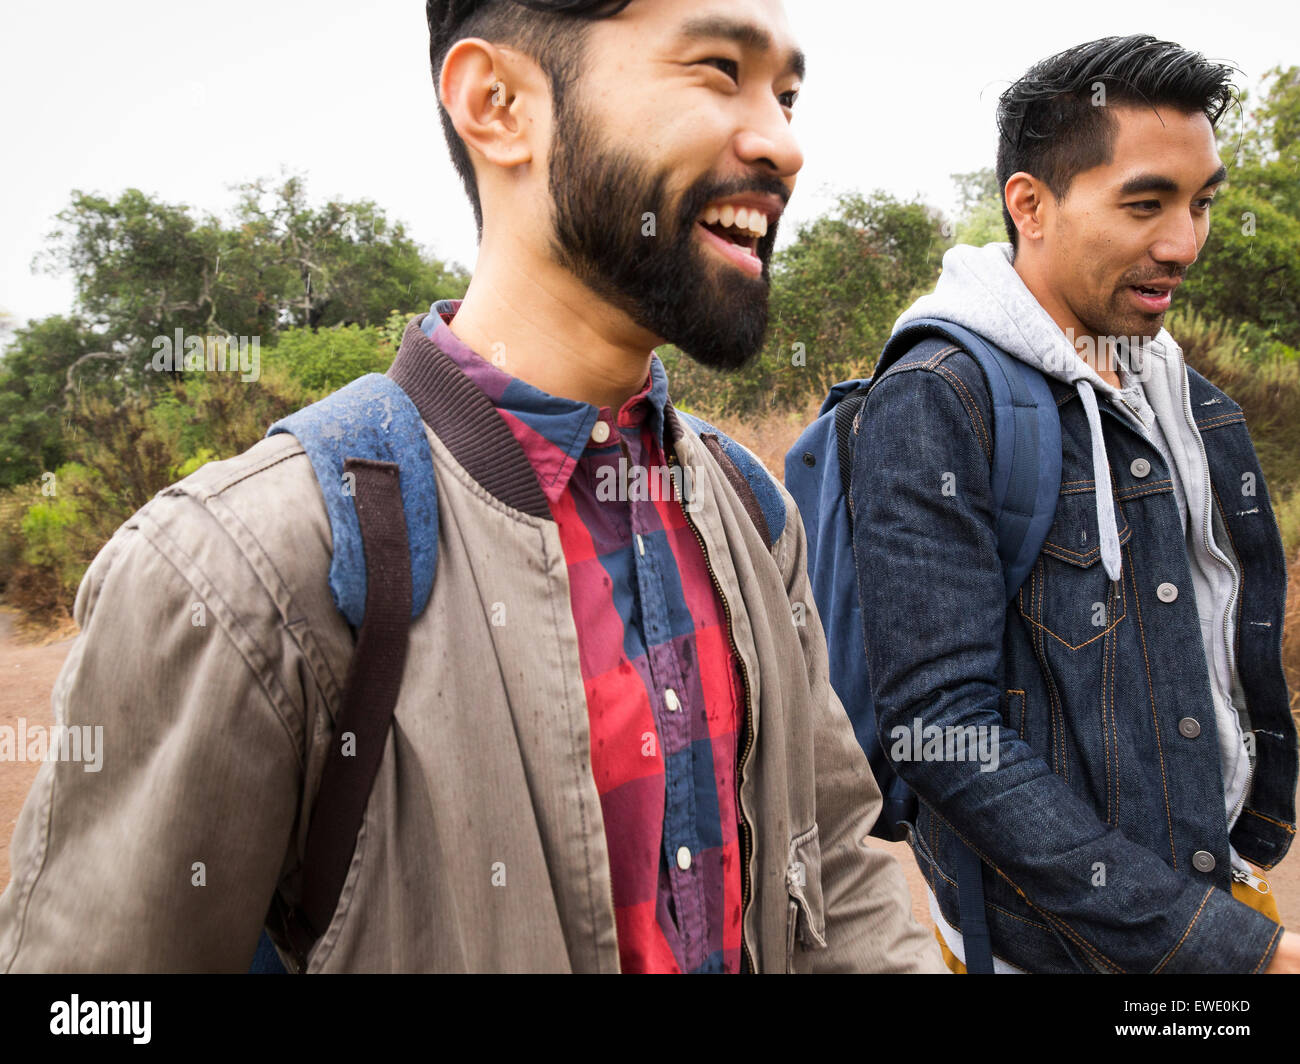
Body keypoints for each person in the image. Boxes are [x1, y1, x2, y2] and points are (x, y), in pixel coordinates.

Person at [0, 0, 939, 974]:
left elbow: (831, 866)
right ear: (497, 103)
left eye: (787, 94)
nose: (783, 143)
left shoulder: (750, 509)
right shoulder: (239, 570)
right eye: (715, 70)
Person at [850, 35, 1299, 973]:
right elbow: (943, 727)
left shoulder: (1185, 399)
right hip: (1055, 950)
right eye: (1145, 203)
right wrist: (1220, 952)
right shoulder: (940, 396)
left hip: (1216, 885)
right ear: (1031, 204)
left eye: (1201, 203)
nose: (1184, 243)